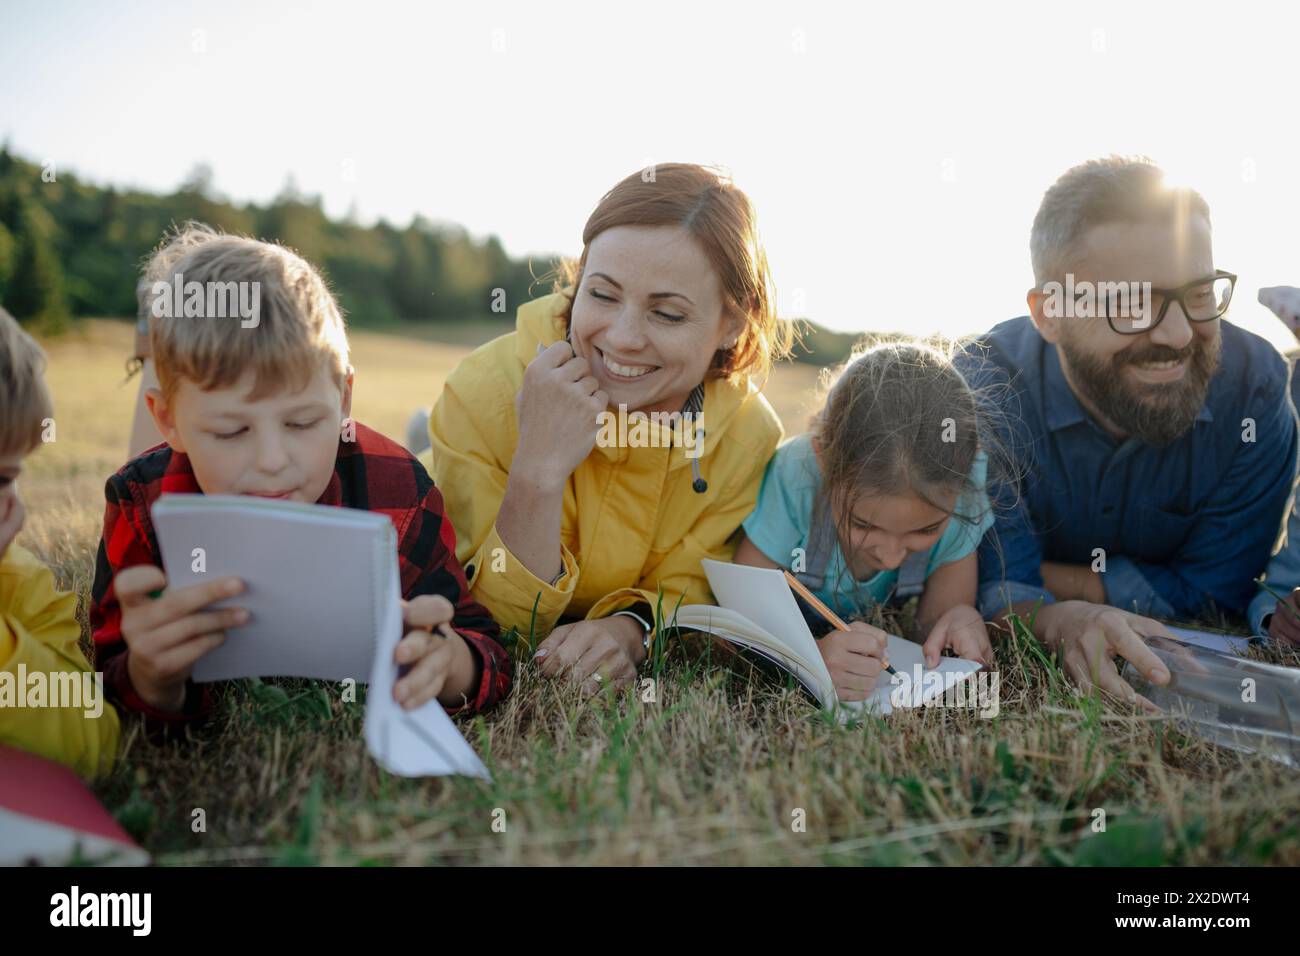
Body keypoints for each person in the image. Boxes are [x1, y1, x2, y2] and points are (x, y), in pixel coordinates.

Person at [90, 225, 511, 731]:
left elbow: (480, 643)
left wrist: (447, 663)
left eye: (302, 423)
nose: (272, 459)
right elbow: (111, 679)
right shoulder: (140, 504)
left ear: (344, 400)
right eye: (231, 430)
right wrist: (152, 677)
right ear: (168, 419)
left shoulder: (400, 492)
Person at [429, 164, 794, 695]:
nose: (622, 339)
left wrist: (633, 628)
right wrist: (537, 468)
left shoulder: (748, 437)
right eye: (602, 295)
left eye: (666, 314)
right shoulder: (481, 392)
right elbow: (489, 628)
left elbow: (695, 588)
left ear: (733, 323)